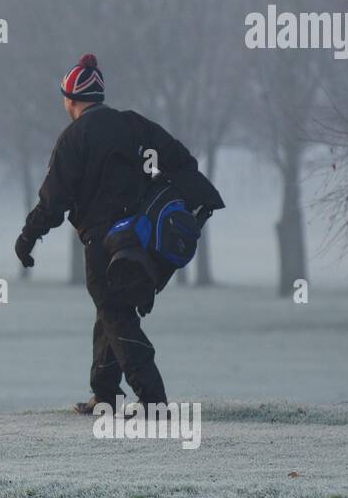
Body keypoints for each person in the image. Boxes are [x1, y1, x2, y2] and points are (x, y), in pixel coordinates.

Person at [14, 53, 224, 414]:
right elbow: (182, 161)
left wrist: (27, 238)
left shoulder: (74, 138)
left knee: (116, 314)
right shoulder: (133, 126)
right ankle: (106, 394)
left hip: (101, 242)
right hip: (141, 239)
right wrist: (167, 201)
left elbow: (53, 200)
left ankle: (152, 399)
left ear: (71, 100)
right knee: (113, 310)